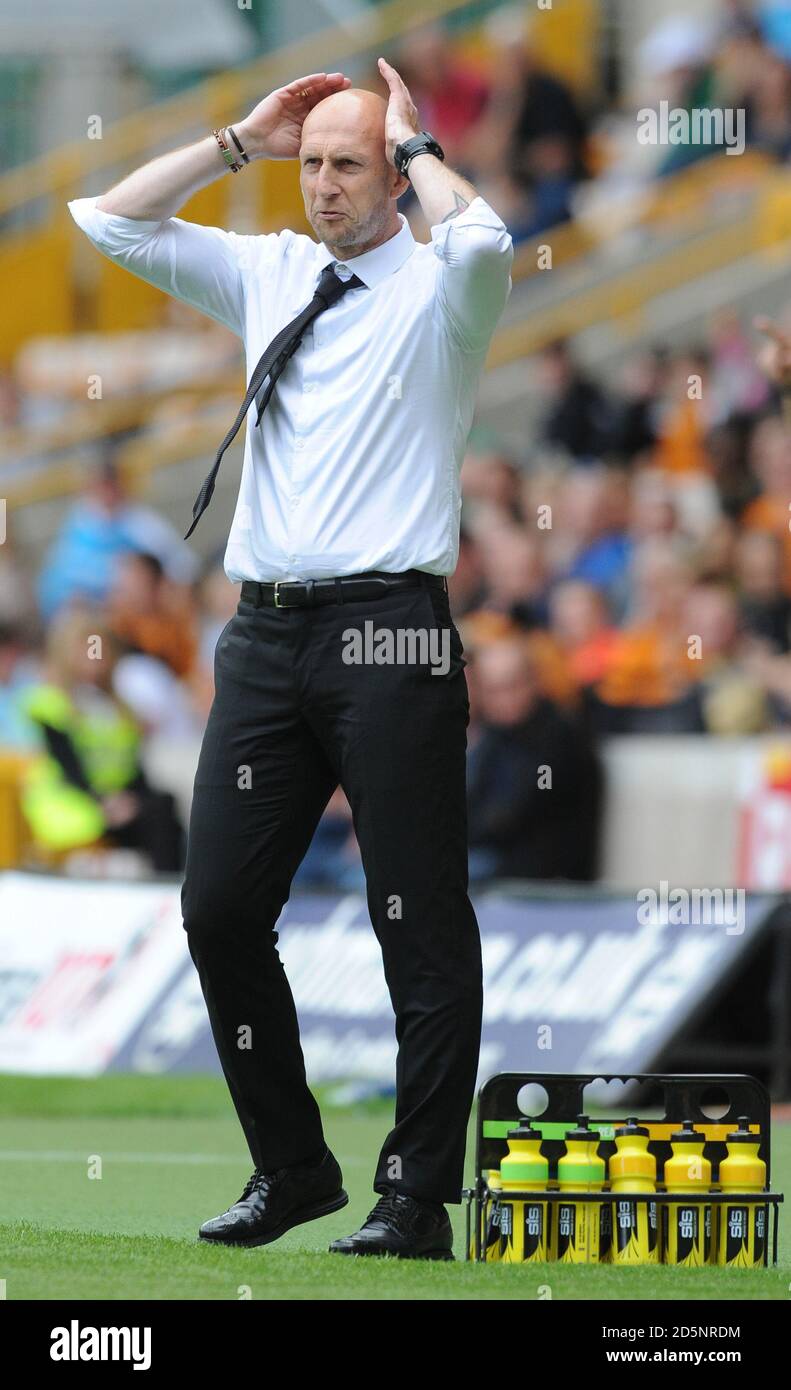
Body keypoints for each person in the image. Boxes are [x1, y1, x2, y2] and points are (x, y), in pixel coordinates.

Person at [68, 62, 513, 1259]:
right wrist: (237, 142)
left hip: (390, 630)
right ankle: (294, 1168)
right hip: (265, 635)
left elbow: (486, 240)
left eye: (346, 163)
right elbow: (111, 220)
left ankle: (416, 1196)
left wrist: (418, 149)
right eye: (310, 162)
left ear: (393, 172)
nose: (321, 185)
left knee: (413, 915)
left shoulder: (435, 289)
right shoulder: (268, 267)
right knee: (216, 906)